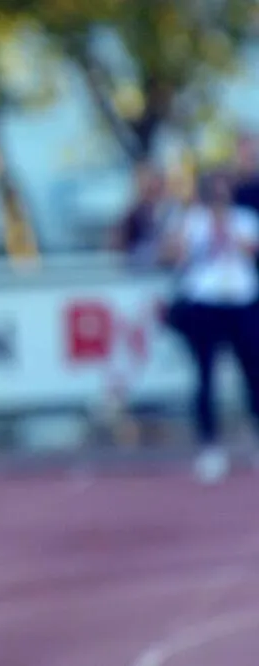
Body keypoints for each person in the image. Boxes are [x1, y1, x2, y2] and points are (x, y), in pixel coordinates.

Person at [163, 172, 259, 484]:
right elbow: (173, 256)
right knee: (205, 375)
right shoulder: (192, 221)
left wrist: (228, 230)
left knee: (253, 373)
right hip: (205, 302)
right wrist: (186, 234)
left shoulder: (244, 219)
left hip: (242, 300)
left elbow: (251, 252)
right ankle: (210, 447)